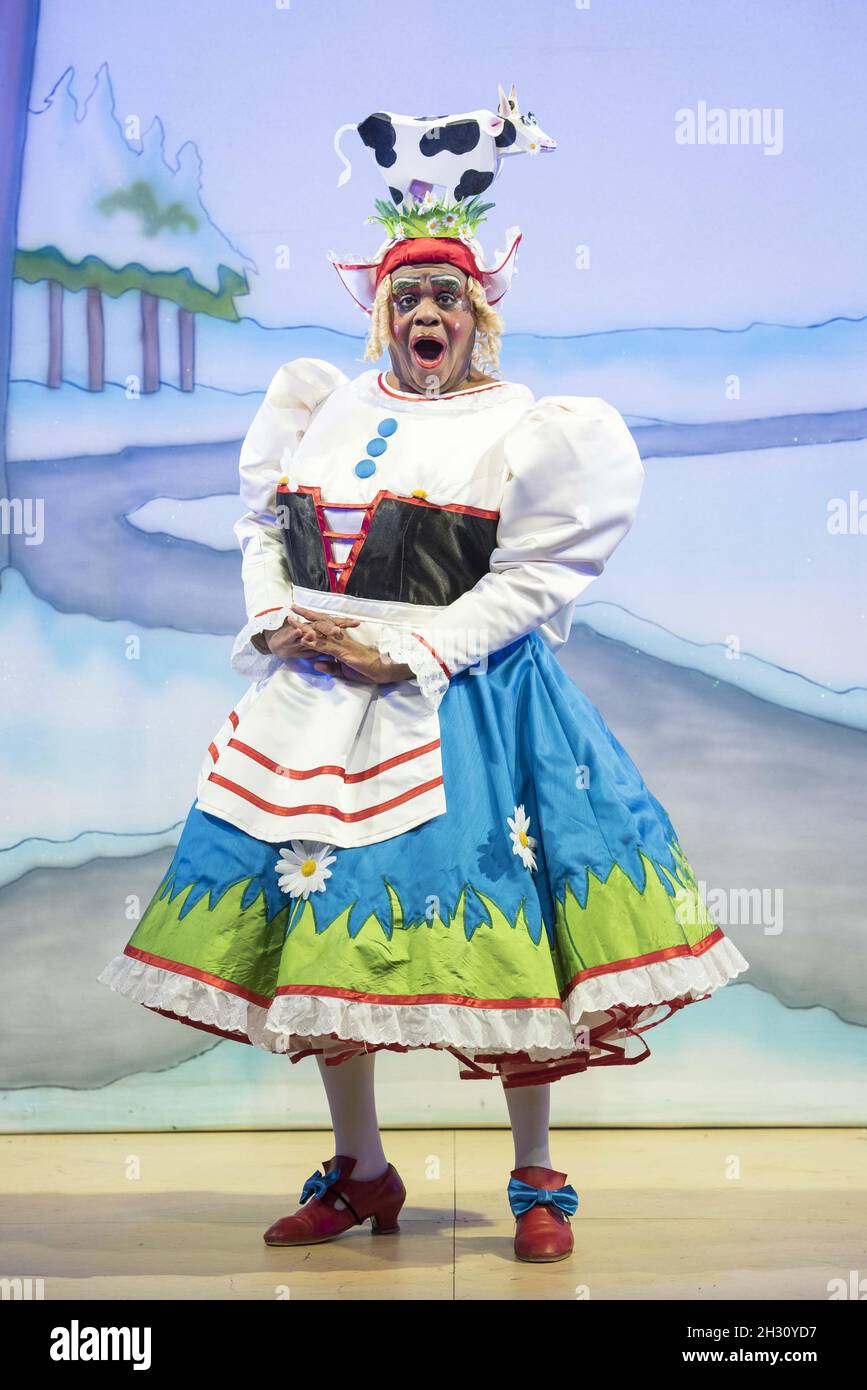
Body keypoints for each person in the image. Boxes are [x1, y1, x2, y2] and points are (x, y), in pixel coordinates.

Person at [98, 193, 749, 1265]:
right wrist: (275, 617)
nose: (425, 312)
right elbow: (265, 527)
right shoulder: (325, 406)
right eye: (407, 296)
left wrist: (407, 649)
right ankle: (362, 1170)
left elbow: (536, 577)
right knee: (323, 931)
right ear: (383, 314)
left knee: (509, 938)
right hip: (315, 711)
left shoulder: (527, 424)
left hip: (470, 706)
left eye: (446, 292)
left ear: (478, 311)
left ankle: (537, 1176)